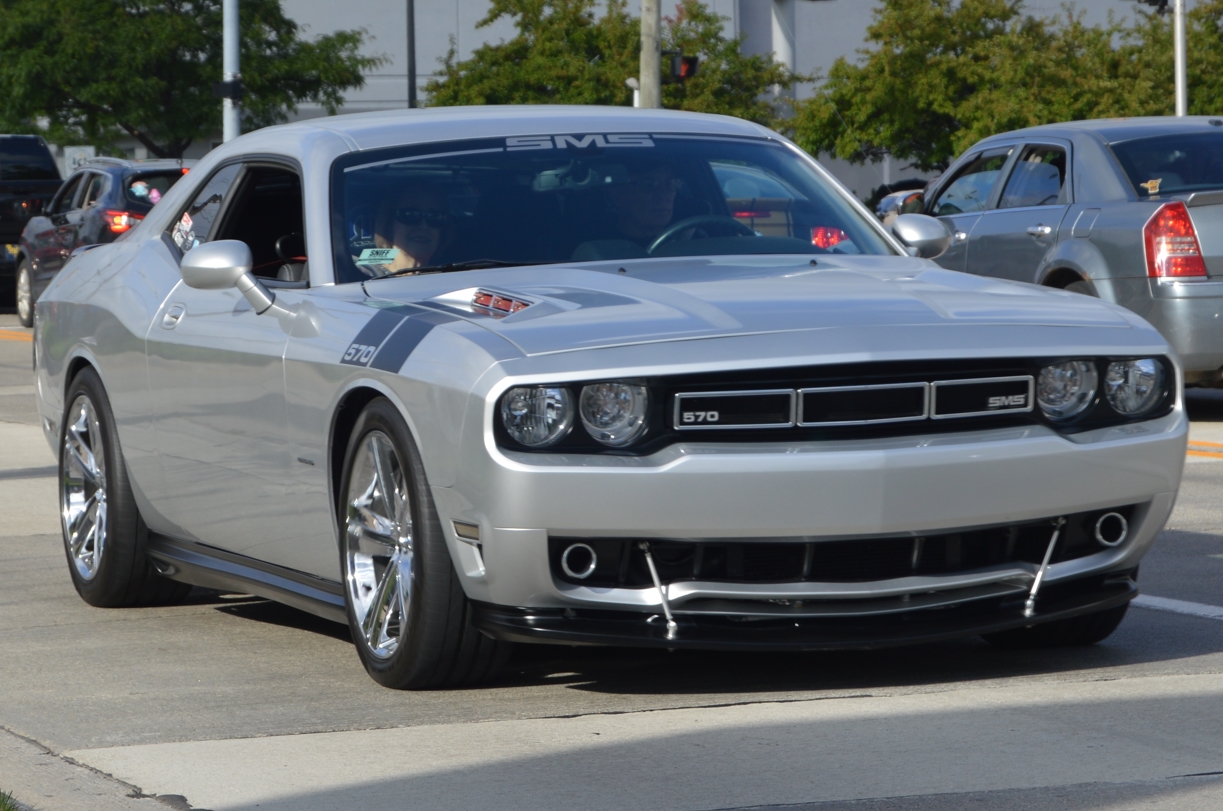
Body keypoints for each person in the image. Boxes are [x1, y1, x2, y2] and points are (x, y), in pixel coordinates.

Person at [363, 183, 452, 275]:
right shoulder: (363, 275)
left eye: (434, 217)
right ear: (389, 225)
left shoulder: (455, 278)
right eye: (410, 215)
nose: (423, 226)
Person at [606, 165, 682, 247]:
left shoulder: (691, 241)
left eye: (672, 183)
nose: (663, 195)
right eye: (648, 184)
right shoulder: (598, 251)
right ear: (617, 195)